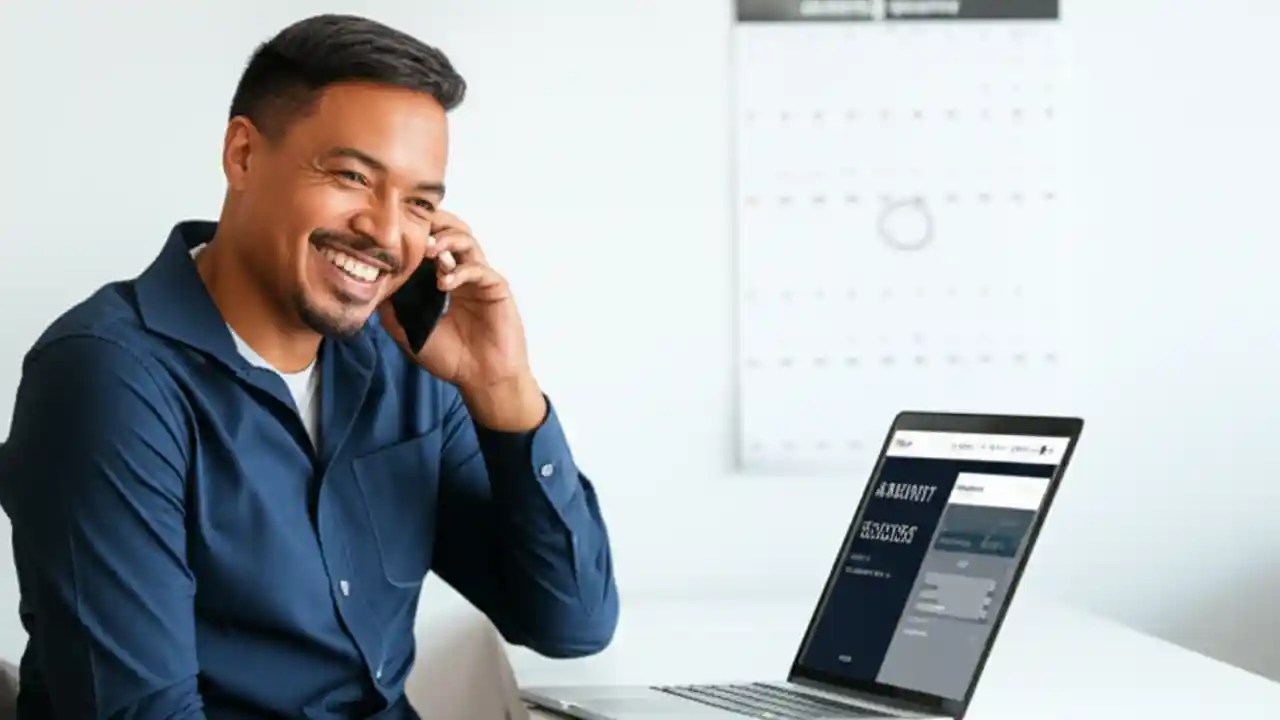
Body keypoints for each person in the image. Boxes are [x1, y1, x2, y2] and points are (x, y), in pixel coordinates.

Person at [0, 13, 618, 719]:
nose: (387, 232)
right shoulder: (108, 380)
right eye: (353, 175)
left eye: (419, 203)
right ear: (242, 155)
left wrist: (503, 388)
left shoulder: (412, 370)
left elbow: (571, 624)